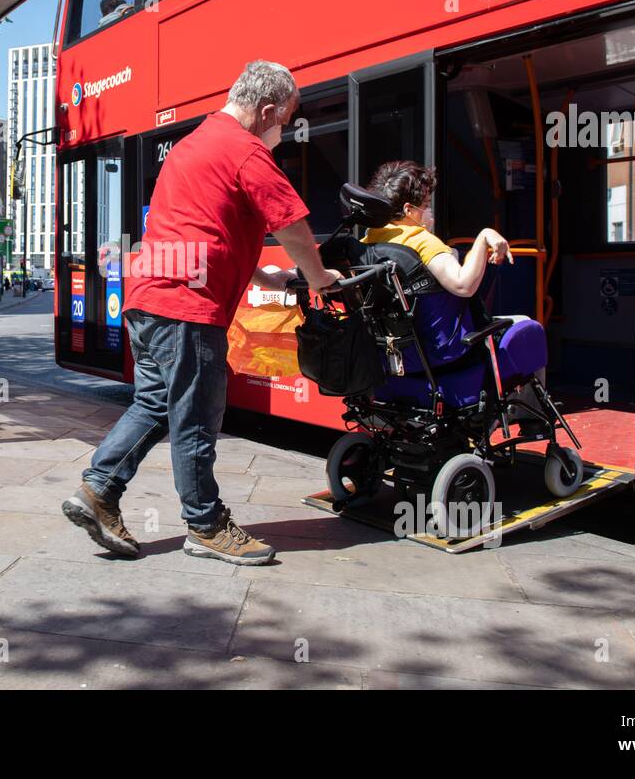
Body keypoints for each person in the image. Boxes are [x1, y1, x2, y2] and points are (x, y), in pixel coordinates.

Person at [62, 60, 342, 565]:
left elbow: (203, 230)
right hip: (187, 310)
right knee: (197, 419)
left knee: (153, 404)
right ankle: (207, 525)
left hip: (148, 299)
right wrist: (319, 278)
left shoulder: (194, 144)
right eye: (285, 120)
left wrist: (261, 276)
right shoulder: (246, 150)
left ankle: (98, 490)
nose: (283, 131)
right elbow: (292, 225)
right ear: (268, 110)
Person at [360, 160, 512, 368]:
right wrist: (484, 237)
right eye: (426, 205)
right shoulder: (421, 240)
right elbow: (463, 285)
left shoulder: (367, 244)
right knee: (524, 327)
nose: (429, 212)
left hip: (389, 358)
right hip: (443, 355)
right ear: (408, 210)